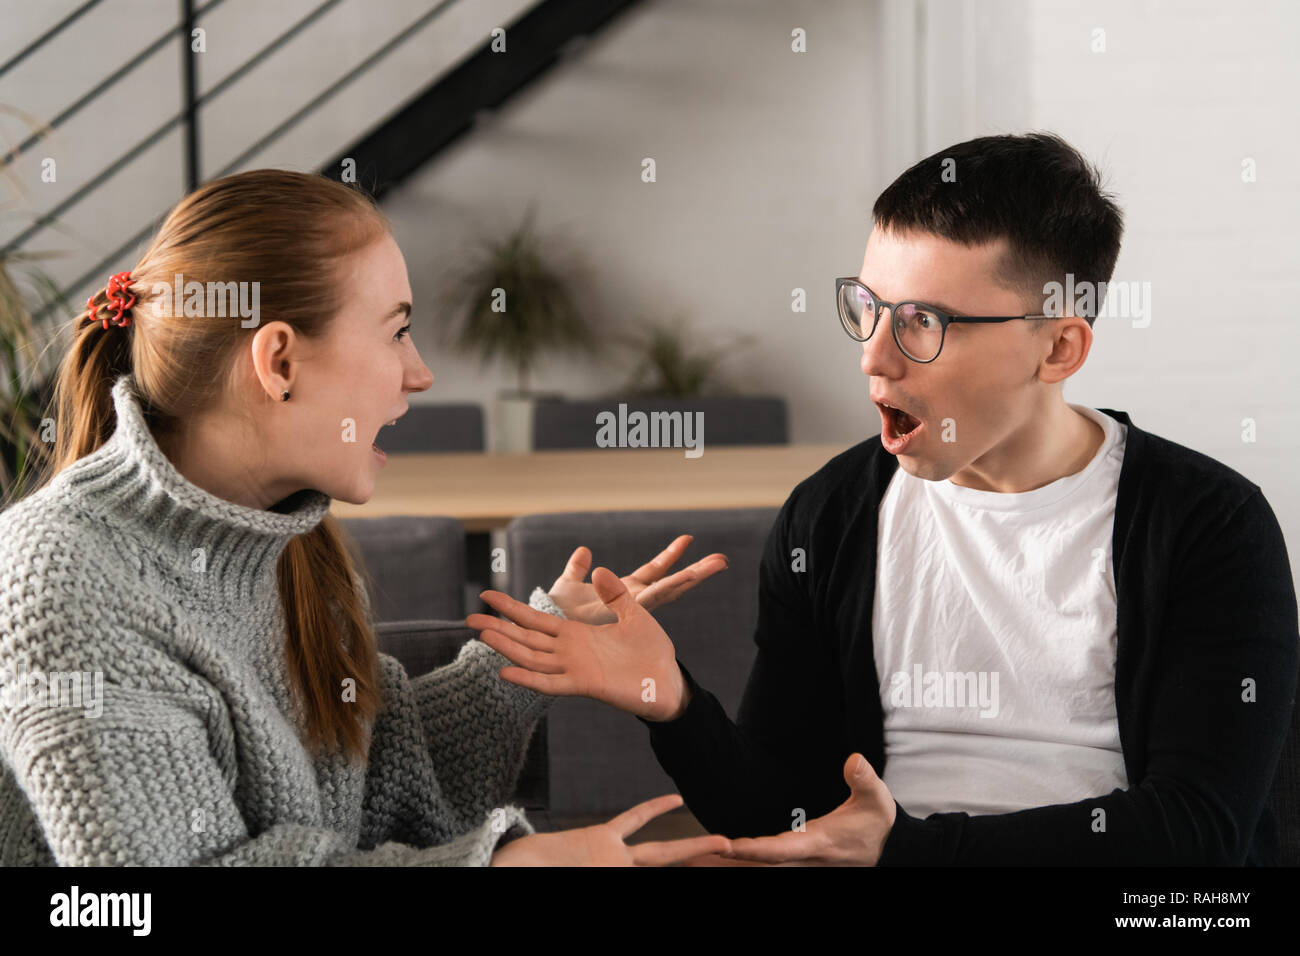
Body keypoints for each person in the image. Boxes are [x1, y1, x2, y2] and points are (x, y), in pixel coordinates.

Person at [470, 132, 1299, 865]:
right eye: (866, 309)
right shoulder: (830, 518)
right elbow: (780, 816)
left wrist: (910, 851)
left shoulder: (1208, 526)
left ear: (1058, 347)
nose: (874, 358)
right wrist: (676, 705)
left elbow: (1199, 831)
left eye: (922, 323)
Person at [0, 168, 731, 866]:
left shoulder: (283, 540)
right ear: (279, 361)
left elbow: (369, 776)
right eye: (395, 331)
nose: (420, 373)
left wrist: (534, 657)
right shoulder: (61, 575)